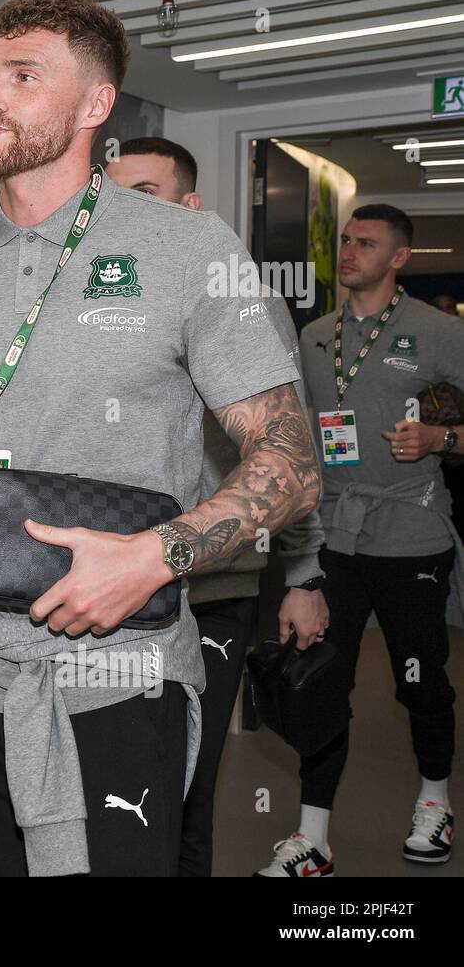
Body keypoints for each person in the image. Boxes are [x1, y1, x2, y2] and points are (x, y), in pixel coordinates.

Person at [0, 0, 320, 877]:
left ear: (94, 106)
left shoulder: (186, 252)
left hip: (117, 679)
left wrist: (155, 555)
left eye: (25, 76)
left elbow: (294, 461)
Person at [107, 137, 330, 877]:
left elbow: (290, 449)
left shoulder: (242, 297)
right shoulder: (92, 297)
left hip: (210, 585)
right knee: (118, 784)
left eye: (146, 190)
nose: (123, 207)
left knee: (184, 787)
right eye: (112, 190)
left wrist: (302, 574)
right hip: (107, 587)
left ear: (191, 208)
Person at [256, 204, 464, 876]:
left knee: (421, 682)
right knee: (321, 684)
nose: (349, 252)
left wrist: (442, 439)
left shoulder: (437, 332)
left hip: (411, 532)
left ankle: (434, 800)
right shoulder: (316, 335)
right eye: (344, 241)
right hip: (334, 536)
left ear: (399, 257)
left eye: (365, 243)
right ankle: (312, 837)